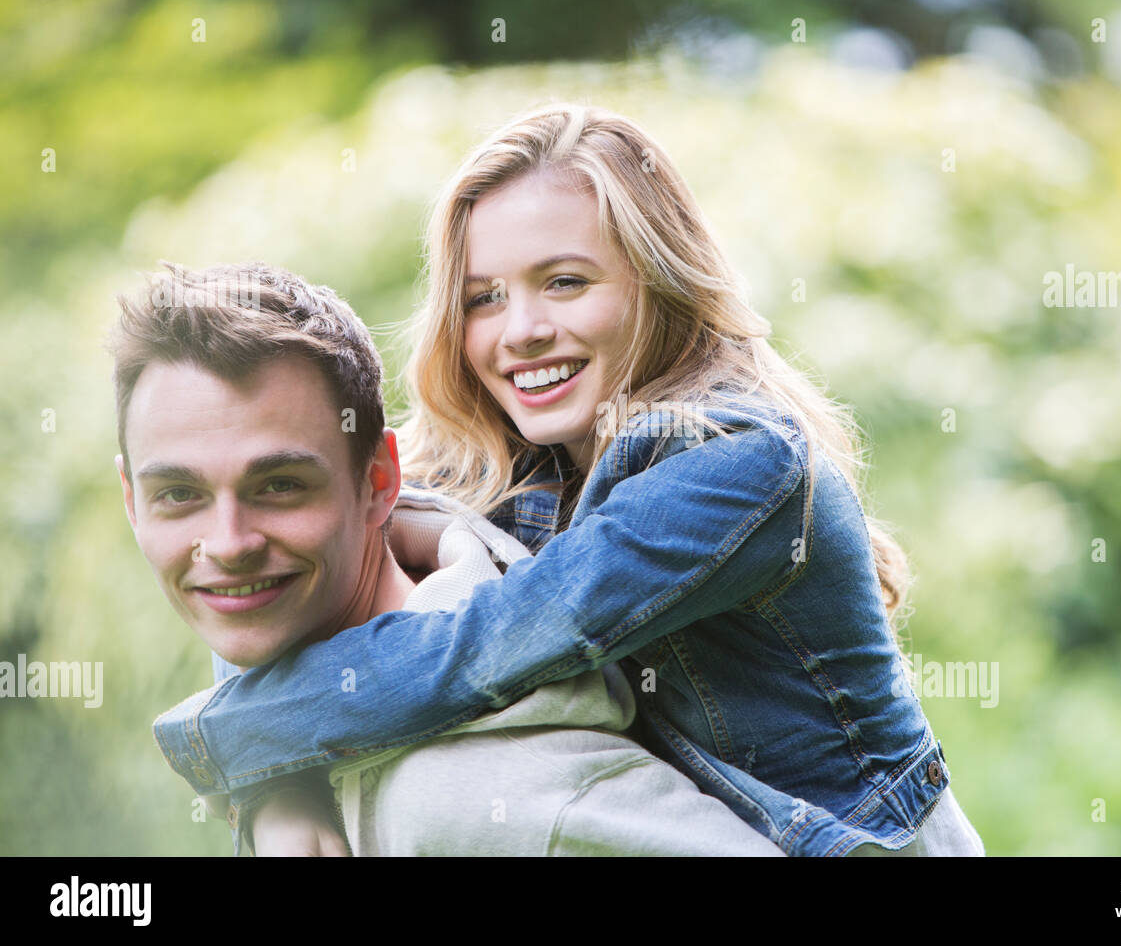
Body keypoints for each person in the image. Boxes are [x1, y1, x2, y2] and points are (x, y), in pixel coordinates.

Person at [153, 104, 986, 857]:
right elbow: (289, 570)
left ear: (656, 281)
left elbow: (478, 652)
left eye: (564, 282)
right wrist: (277, 794)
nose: (521, 332)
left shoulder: (742, 464)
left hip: (850, 848)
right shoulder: (510, 451)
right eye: (483, 298)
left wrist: (230, 749)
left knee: (435, 794)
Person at [111, 261, 784, 856]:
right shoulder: (321, 645)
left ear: (378, 483)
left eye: (280, 486)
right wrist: (277, 782)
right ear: (131, 501)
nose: (228, 545)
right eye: (179, 494)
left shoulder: (478, 796)